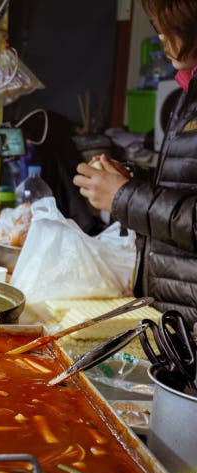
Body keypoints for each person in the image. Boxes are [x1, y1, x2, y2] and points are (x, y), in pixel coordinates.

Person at [73, 0, 197, 322]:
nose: (160, 38)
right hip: (179, 315)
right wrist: (133, 180)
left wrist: (124, 197)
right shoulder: (189, 92)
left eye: (162, 26)